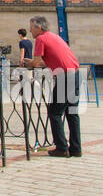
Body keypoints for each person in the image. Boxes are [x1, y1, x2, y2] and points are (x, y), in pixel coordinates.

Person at [23, 15, 83, 158]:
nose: (30, 31)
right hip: (75, 74)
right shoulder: (54, 36)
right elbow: (48, 61)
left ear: (38, 27)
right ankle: (76, 148)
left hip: (64, 77)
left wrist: (27, 63)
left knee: (55, 113)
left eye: (31, 28)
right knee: (72, 112)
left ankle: (62, 148)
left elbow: (37, 63)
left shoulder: (41, 39)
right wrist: (34, 62)